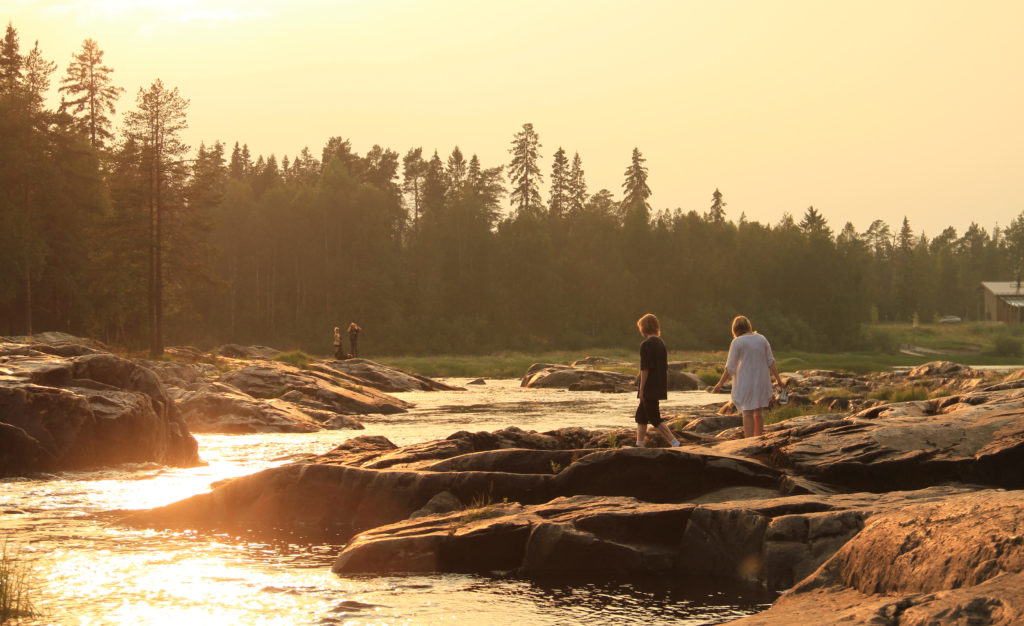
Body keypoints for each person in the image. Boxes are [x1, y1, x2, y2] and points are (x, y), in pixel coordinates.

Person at [712, 315, 786, 438]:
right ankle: (758, 438)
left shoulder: (737, 342)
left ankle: (749, 441)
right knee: (758, 411)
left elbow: (730, 367)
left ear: (735, 329)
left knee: (747, 412)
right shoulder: (762, 338)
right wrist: (778, 379)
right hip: (762, 380)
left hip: (746, 381)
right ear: (748, 326)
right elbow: (771, 361)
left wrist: (720, 383)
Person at [634, 313, 681, 448]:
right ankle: (639, 444)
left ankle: (675, 442)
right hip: (659, 385)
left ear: (644, 328)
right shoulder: (661, 343)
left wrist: (641, 389)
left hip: (649, 386)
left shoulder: (646, 345)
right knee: (641, 416)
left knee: (654, 418)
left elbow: (645, 369)